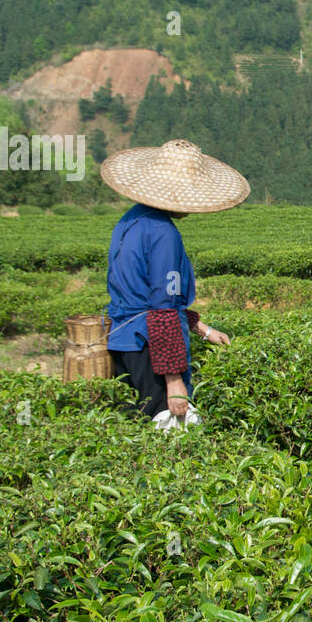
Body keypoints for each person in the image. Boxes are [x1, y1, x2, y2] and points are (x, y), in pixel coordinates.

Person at [99, 139, 249, 422]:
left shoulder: (130, 220)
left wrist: (203, 329)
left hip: (125, 342)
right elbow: (163, 308)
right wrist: (173, 380)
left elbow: (147, 294)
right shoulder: (163, 234)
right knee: (167, 432)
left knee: (136, 431)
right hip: (150, 350)